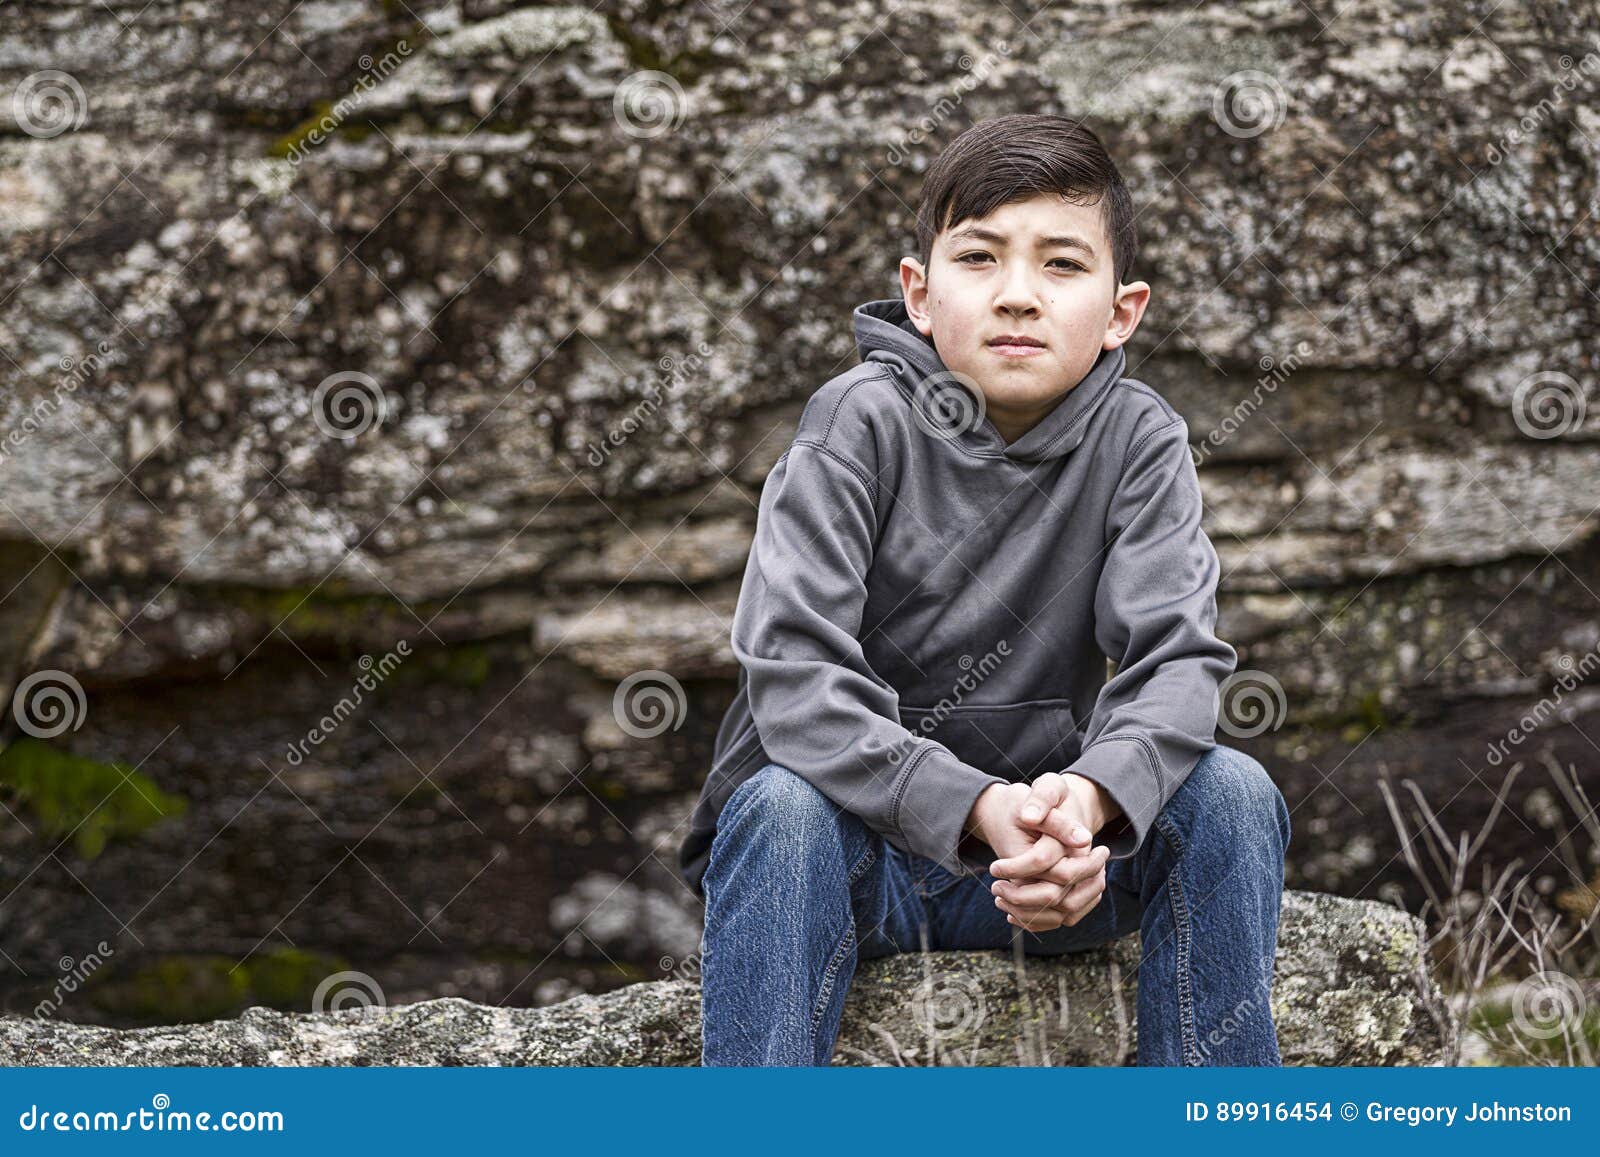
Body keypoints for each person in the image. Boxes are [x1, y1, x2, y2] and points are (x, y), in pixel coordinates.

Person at [677, 113, 1292, 1066]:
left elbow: (1177, 660)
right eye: (978, 257)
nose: (1017, 295)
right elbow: (794, 673)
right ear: (919, 293)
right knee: (780, 808)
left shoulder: (1141, 438)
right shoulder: (856, 423)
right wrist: (974, 810)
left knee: (1233, 792)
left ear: (1122, 312)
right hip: (863, 864)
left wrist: (1089, 803)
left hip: (1058, 869)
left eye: (1061, 264)